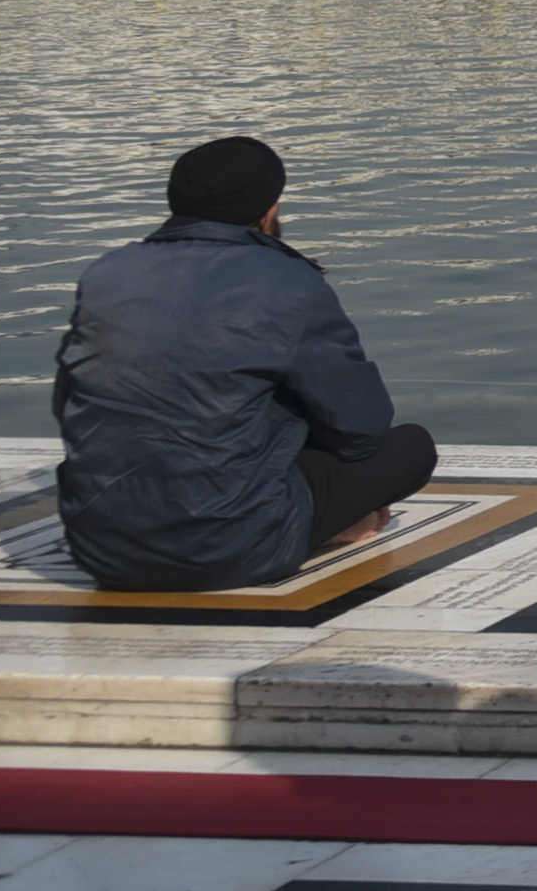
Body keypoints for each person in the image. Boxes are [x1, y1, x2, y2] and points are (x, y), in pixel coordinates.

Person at [52, 138, 437, 590]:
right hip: (235, 548)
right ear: (269, 211)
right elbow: (362, 429)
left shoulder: (107, 272)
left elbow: (68, 404)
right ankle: (329, 528)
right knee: (411, 447)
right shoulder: (287, 280)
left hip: (102, 551)